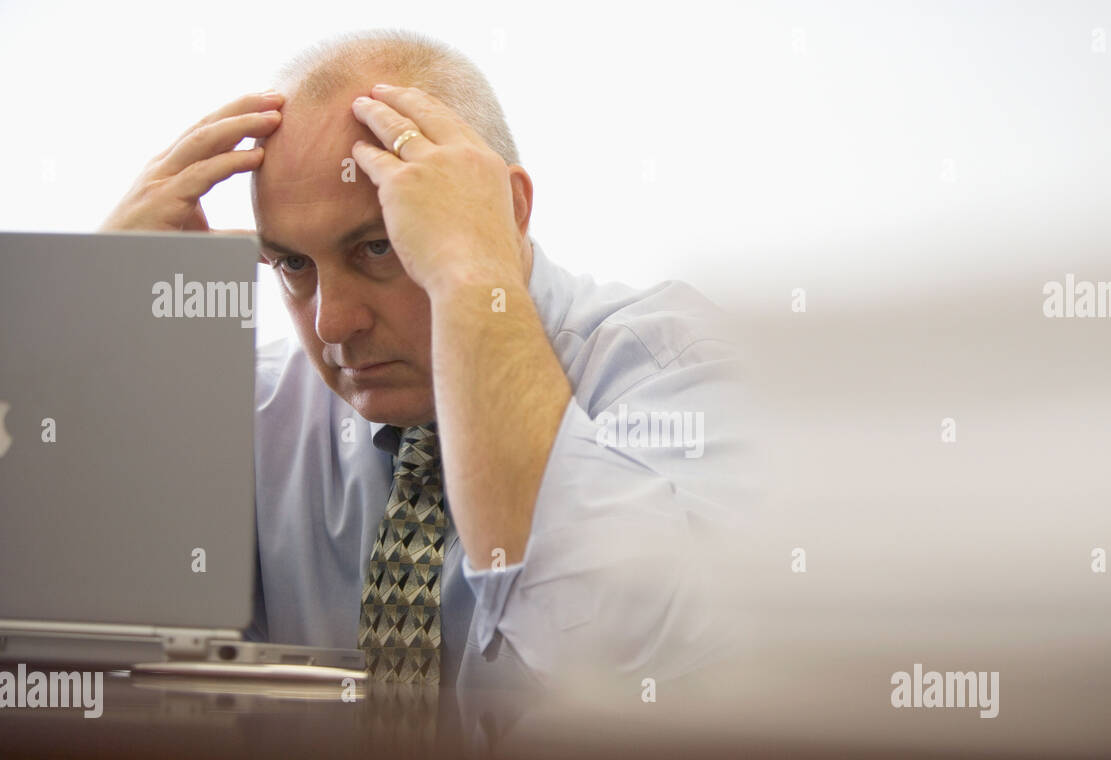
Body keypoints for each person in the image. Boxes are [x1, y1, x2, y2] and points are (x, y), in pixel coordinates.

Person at [101, 29, 750, 690]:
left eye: (380, 247)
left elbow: (636, 666)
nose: (332, 322)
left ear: (509, 210)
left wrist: (471, 276)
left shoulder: (674, 370)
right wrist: (89, 358)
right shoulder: (244, 415)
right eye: (293, 264)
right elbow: (113, 696)